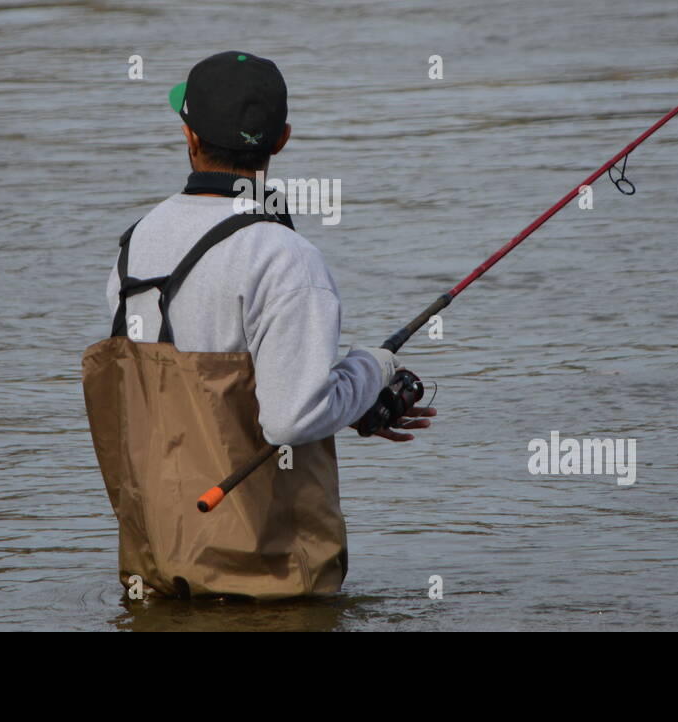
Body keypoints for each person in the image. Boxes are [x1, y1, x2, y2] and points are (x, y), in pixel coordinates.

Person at [81, 50, 434, 600]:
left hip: (158, 562)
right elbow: (291, 420)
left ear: (189, 135)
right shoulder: (284, 256)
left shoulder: (135, 245)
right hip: (265, 577)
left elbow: (186, 417)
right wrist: (370, 371)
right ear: (282, 139)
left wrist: (347, 406)